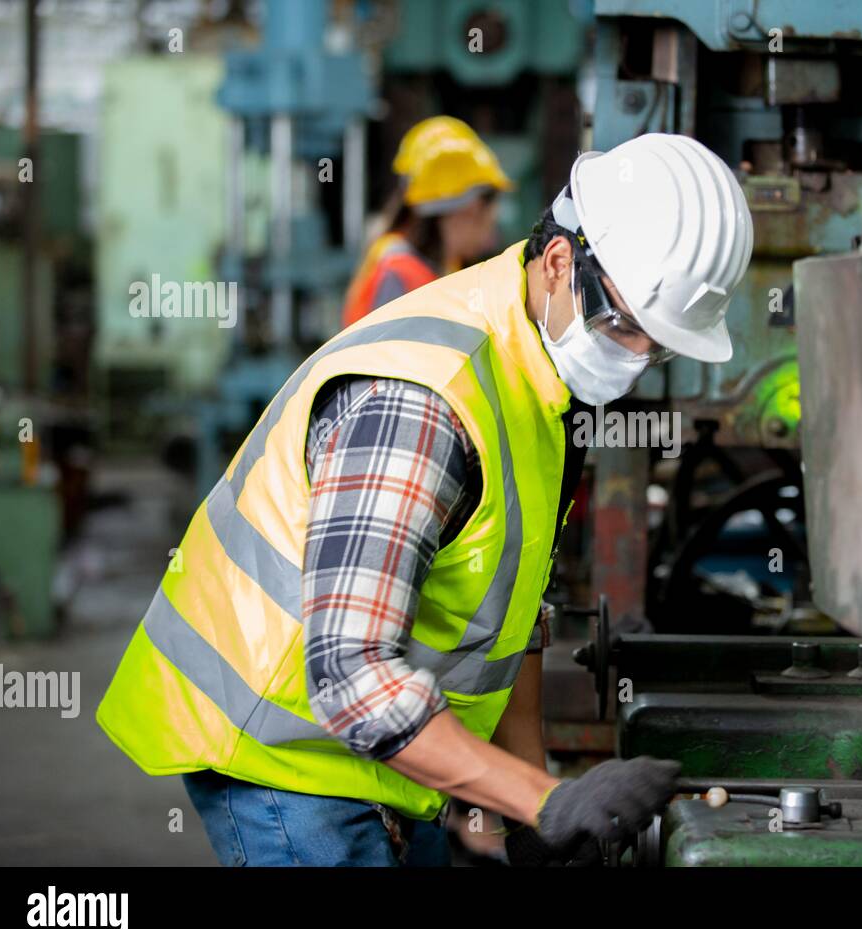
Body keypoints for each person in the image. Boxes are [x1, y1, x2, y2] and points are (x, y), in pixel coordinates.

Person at [96, 132, 754, 866]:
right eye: (624, 326)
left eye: (656, 347)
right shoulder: (425, 403)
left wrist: (532, 806)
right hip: (284, 760)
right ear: (562, 263)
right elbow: (349, 679)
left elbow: (518, 614)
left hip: (390, 760)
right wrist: (543, 800)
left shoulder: (540, 375)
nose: (635, 359)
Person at [341, 115, 513, 329]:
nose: (492, 230)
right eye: (491, 212)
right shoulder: (400, 276)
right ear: (471, 206)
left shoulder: (434, 269)